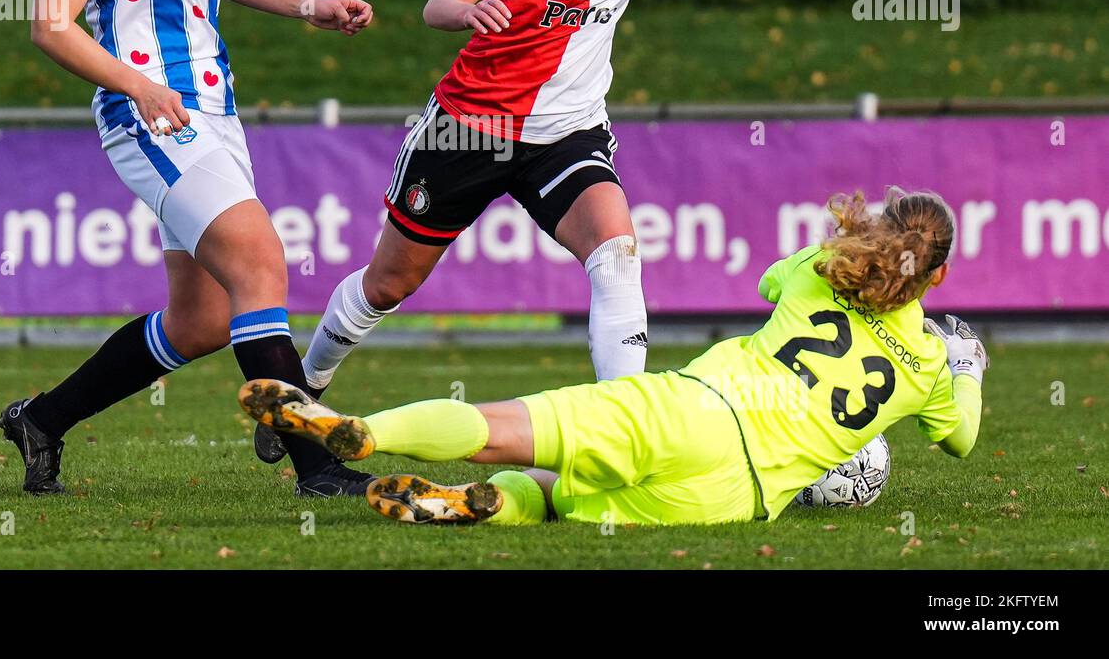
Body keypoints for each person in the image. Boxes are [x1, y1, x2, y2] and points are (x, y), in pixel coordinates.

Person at [253, 0, 791, 465]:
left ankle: (625, 433)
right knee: (389, 283)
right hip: (468, 129)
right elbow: (438, 3)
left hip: (566, 134)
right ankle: (308, 385)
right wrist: (467, 9)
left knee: (617, 255)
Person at [0, 0, 378, 498]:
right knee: (261, 263)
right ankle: (314, 462)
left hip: (214, 112)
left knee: (201, 320)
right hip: (151, 122)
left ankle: (42, 420)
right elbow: (49, 24)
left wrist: (310, 5)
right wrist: (137, 86)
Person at [240, 188, 988, 526]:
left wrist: (843, 253)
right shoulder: (927, 363)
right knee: (562, 499)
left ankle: (360, 428)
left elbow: (772, 279)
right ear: (940, 277)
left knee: (496, 424)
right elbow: (962, 442)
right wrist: (965, 362)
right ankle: (485, 507)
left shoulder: (817, 270)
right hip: (732, 502)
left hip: (693, 410)